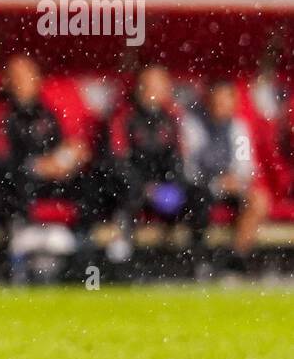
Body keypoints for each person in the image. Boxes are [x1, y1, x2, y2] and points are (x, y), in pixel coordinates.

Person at [0, 56, 100, 242]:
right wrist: (36, 166)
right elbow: (0, 158)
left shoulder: (46, 111)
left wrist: (69, 158)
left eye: (28, 76)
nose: (23, 82)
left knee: (91, 181)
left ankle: (85, 242)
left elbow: (61, 144)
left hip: (52, 176)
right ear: (7, 81)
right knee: (11, 184)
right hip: (19, 178)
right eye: (16, 77)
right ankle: (21, 238)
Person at [109, 66, 211, 264]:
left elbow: (178, 160)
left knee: (200, 196)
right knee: (126, 195)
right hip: (134, 188)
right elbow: (118, 162)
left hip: (164, 187)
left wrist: (173, 185)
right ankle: (124, 260)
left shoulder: (173, 119)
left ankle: (198, 261)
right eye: (148, 84)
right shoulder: (124, 117)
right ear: (139, 87)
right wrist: (145, 188)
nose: (152, 90)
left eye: (158, 84)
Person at [182, 81, 269, 271]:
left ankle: (237, 255)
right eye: (216, 102)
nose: (220, 107)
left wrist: (236, 180)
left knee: (259, 200)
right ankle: (198, 259)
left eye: (225, 102)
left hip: (232, 185)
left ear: (234, 103)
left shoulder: (239, 128)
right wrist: (216, 182)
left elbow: (246, 165)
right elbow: (189, 166)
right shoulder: (193, 124)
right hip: (203, 186)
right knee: (200, 199)